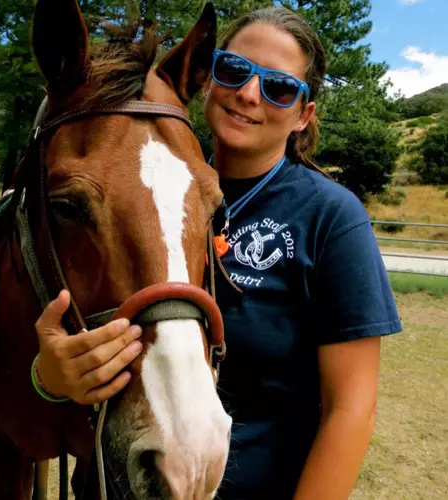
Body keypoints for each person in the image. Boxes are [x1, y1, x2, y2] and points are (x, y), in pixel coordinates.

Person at [34, 7, 402, 499]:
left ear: (303, 115)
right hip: (111, 480)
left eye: (280, 88)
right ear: (208, 79)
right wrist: (49, 377)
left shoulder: (331, 216)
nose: (250, 93)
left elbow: (350, 408)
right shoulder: (148, 191)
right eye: (234, 71)